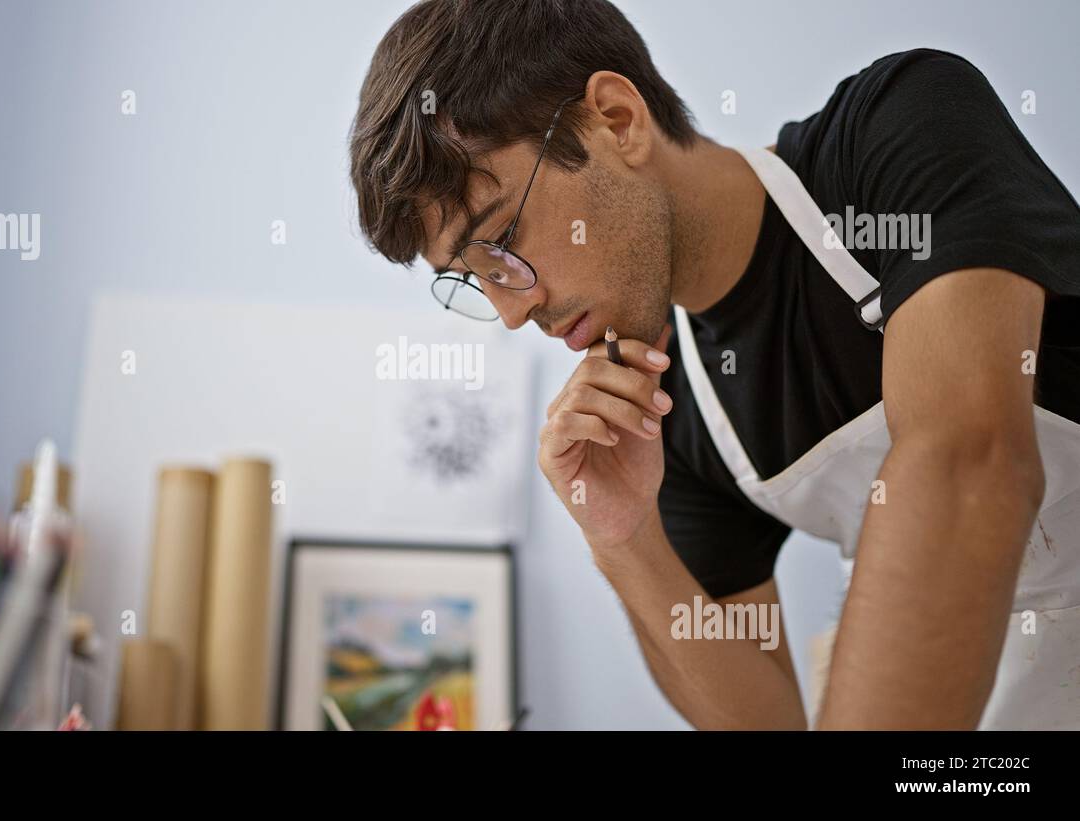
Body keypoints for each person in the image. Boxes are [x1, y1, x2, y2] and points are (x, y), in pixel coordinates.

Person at [348, 0, 1080, 729]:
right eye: (474, 279)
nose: (511, 311)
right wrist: (624, 539)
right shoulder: (664, 398)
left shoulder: (898, 130)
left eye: (502, 238)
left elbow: (966, 462)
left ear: (616, 120)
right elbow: (769, 719)